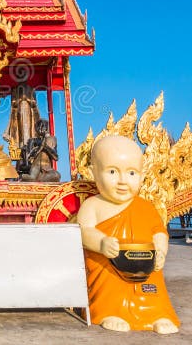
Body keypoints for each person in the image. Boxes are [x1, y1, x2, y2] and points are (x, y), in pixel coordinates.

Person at [76, 135, 179, 334]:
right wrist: (101, 243)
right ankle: (110, 311)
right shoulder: (93, 205)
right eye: (112, 172)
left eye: (131, 173)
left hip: (144, 265)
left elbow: (159, 232)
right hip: (107, 267)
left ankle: (157, 315)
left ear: (142, 176)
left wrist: (161, 251)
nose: (123, 181)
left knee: (152, 289)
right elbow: (83, 231)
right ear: (93, 173)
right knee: (110, 288)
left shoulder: (145, 207)